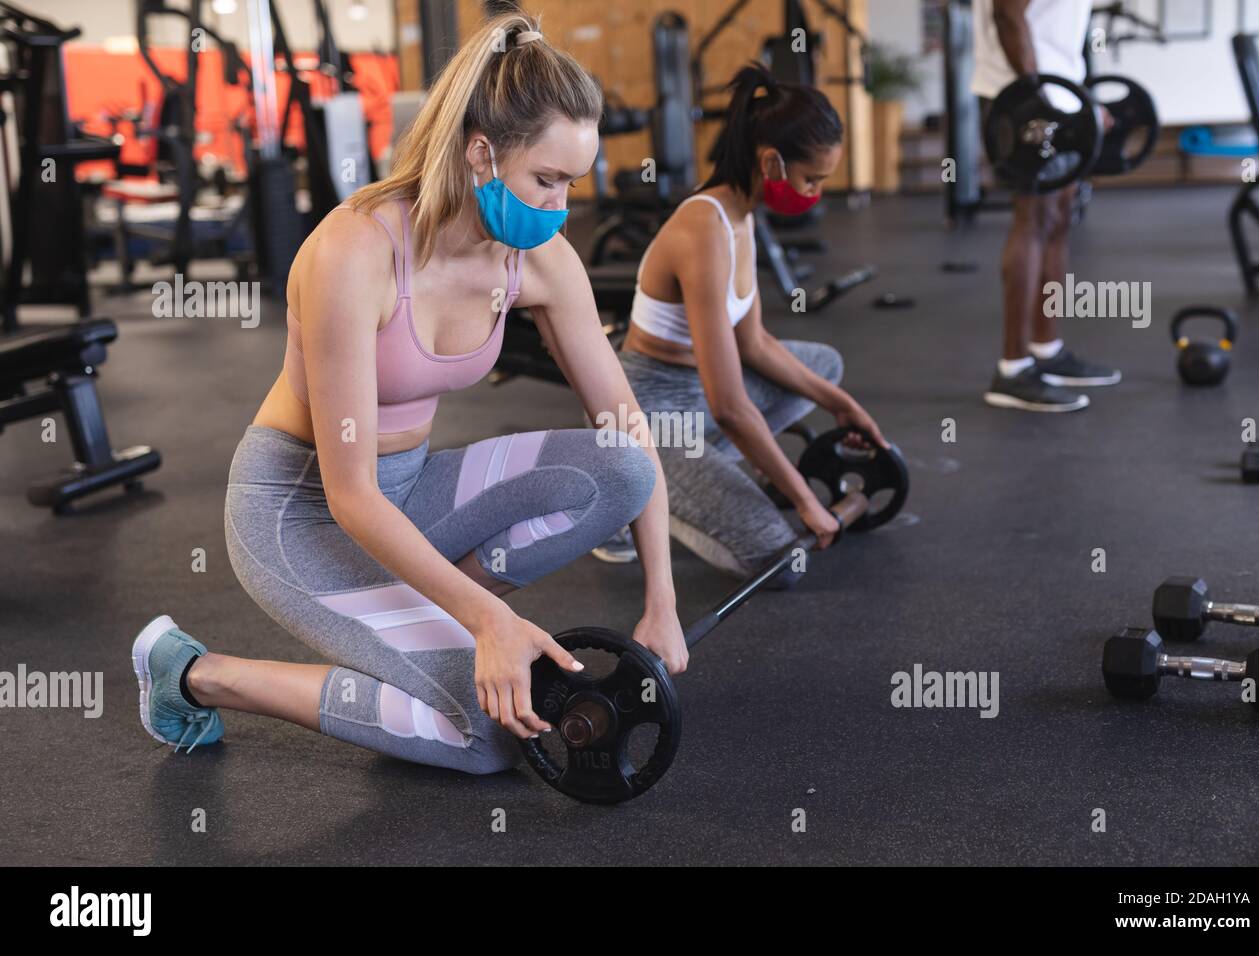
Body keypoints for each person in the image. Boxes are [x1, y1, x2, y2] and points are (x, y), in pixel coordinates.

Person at [130, 12, 686, 776]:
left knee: (620, 468)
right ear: (482, 153)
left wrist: (662, 601)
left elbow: (628, 431)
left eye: (571, 184)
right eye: (546, 180)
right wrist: (488, 620)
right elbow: (351, 495)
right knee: (488, 736)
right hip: (301, 510)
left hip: (411, 491)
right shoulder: (354, 251)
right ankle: (195, 674)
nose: (560, 206)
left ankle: (416, 625)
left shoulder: (538, 261)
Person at [592, 63, 889, 582]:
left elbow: (754, 343)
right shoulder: (704, 229)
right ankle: (631, 491)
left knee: (823, 366)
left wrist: (841, 405)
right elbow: (729, 406)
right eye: (811, 179)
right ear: (772, 162)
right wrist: (804, 499)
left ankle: (699, 472)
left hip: (698, 395)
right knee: (779, 560)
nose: (814, 192)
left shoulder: (742, 216)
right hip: (650, 412)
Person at [972, 0, 1121, 412]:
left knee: (1058, 220)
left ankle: (1045, 349)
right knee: (1033, 221)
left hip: (1059, 96)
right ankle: (1013, 368)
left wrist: (1080, 103)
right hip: (1027, 101)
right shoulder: (1031, 98)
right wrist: (1036, 102)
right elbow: (1007, 14)